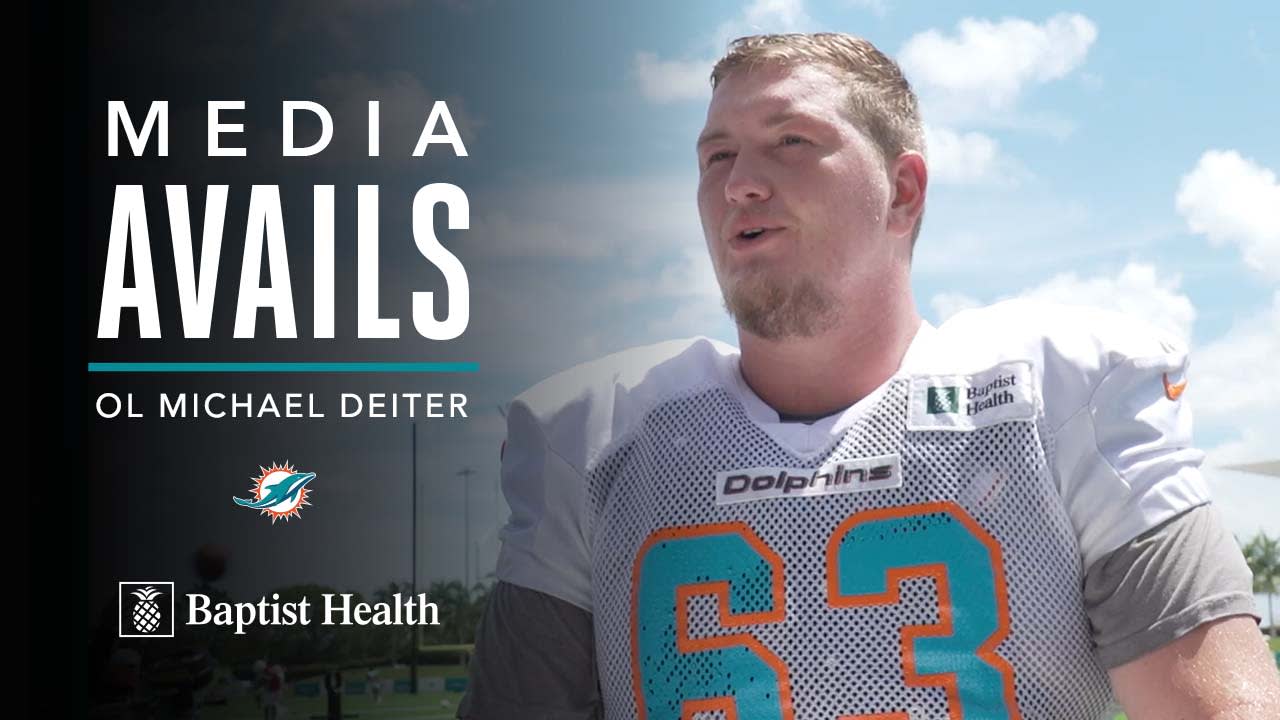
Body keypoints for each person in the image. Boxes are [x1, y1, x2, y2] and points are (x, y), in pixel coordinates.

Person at [458, 32, 1280, 719]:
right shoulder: (593, 440)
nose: (739, 181)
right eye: (716, 155)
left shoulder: (1066, 399)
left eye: (791, 141)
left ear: (903, 190)